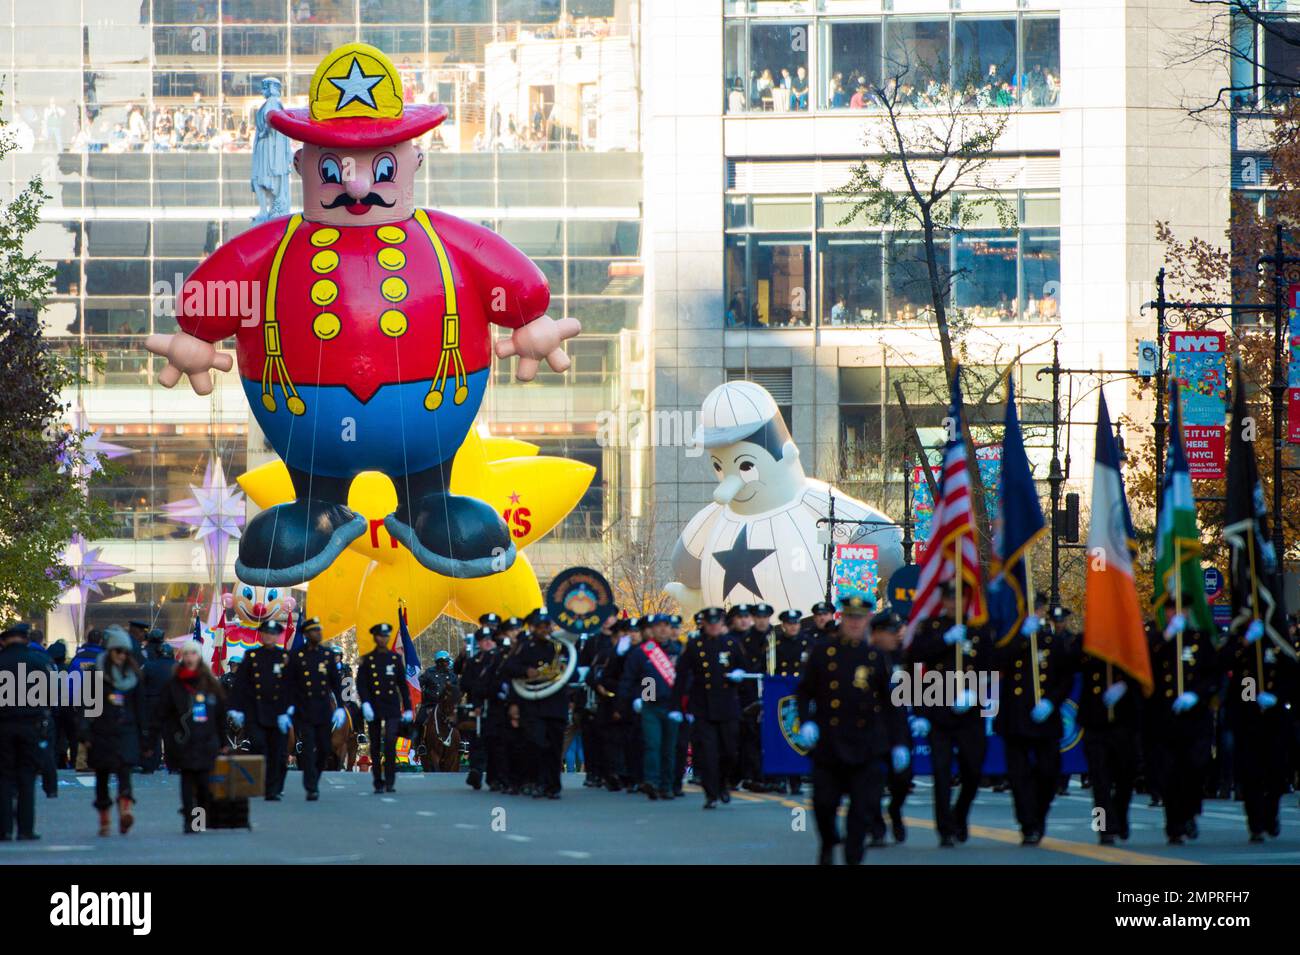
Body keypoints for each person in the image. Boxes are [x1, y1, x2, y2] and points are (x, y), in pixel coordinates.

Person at [797, 596, 909, 865]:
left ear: (867, 621)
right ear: (843, 619)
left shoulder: (875, 657)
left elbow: (889, 704)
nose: (855, 623)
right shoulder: (823, 652)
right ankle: (827, 842)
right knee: (824, 804)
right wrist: (807, 720)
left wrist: (899, 742)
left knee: (861, 810)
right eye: (851, 617)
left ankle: (853, 856)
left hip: (865, 744)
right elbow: (803, 691)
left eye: (861, 618)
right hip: (830, 743)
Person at [906, 581, 991, 847]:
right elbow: (914, 658)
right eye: (949, 598)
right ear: (942, 601)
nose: (954, 603)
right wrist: (944, 640)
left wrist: (974, 693)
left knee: (973, 771)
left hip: (969, 712)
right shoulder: (930, 628)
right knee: (941, 773)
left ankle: (960, 815)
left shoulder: (977, 628)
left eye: (959, 598)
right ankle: (945, 828)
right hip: (938, 709)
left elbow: (989, 663)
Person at [993, 605, 1078, 845]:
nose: (1035, 614)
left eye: (1038, 609)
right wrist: (1020, 636)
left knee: (1049, 773)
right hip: (1015, 719)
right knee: (1019, 777)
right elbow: (997, 660)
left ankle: (1038, 816)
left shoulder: (1052, 642)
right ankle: (1028, 824)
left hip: (1045, 719)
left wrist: (1051, 702)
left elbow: (1066, 676)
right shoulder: (1011, 640)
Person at [1220, 616, 1299, 842]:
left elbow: (1293, 675)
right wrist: (1245, 641)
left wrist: (1277, 697)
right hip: (1247, 719)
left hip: (1274, 719)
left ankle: (1271, 813)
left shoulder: (1278, 640)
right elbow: (1222, 662)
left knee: (1276, 772)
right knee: (1250, 774)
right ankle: (1255, 824)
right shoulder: (1241, 641)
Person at [1146, 614, 1218, 845]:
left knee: (1194, 770)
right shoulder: (1157, 640)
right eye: (1169, 608)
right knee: (1168, 775)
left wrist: (1196, 694)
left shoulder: (1200, 639)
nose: (1175, 613)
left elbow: (1214, 673)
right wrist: (1166, 637)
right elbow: (1145, 667)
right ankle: (1174, 826)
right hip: (1165, 719)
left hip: (1194, 719)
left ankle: (1189, 814)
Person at [153, 639, 229, 832]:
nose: (189, 657)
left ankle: (200, 818)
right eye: (186, 654)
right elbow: (163, 713)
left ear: (199, 656)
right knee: (187, 781)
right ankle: (189, 819)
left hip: (206, 741)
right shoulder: (174, 684)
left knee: (204, 784)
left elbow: (220, 714)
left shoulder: (210, 683)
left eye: (193, 653)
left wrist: (223, 741)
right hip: (184, 741)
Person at [1077, 628, 1143, 846]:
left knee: (1125, 777)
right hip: (1095, 720)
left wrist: (1125, 684)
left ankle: (1120, 815)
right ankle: (1103, 827)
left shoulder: (1129, 637)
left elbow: (1143, 669)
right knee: (1099, 781)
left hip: (1124, 722)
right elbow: (1069, 661)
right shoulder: (1087, 640)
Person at [678, 606, 749, 808]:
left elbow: (745, 668)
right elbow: (682, 676)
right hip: (703, 707)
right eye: (710, 624)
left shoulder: (731, 644)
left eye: (717, 623)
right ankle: (711, 794)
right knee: (707, 754)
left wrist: (739, 674)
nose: (713, 627)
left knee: (729, 752)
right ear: (705, 625)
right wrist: (677, 707)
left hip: (727, 706)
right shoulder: (694, 645)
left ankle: (723, 784)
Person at [85, 626, 146, 837]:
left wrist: (145, 737)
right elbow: (87, 706)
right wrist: (84, 733)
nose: (122, 656)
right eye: (118, 651)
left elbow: (141, 708)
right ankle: (104, 818)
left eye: (125, 652)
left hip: (126, 731)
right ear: (110, 651)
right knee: (102, 776)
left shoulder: (134, 676)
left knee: (125, 772)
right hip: (102, 731)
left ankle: (125, 809)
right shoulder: (95, 673)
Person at [618, 613, 685, 800]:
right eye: (659, 626)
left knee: (669, 748)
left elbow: (687, 679)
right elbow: (629, 678)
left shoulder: (678, 651)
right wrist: (630, 700)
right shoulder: (642, 651)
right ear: (652, 629)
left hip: (673, 706)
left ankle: (667, 785)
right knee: (652, 745)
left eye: (666, 626)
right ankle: (652, 782)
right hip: (651, 704)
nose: (663, 629)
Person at [503, 608, 568, 799]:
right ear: (533, 627)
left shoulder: (561, 644)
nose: (543, 629)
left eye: (546, 625)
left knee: (555, 747)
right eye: (539, 626)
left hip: (556, 703)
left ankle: (553, 786)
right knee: (536, 744)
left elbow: (571, 668)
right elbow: (509, 667)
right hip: (533, 704)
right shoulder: (525, 645)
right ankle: (539, 782)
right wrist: (526, 671)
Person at [0, 623, 55, 840]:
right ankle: (25, 828)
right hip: (31, 725)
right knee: (26, 776)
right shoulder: (38, 662)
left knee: (3, 777)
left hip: (3, 725)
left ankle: (4, 828)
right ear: (26, 639)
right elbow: (52, 695)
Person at [285, 617, 347, 801]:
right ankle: (311, 785)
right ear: (306, 634)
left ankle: (315, 776)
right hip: (303, 711)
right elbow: (289, 683)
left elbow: (336, 684)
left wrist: (341, 708)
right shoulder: (296, 656)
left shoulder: (327, 655)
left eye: (319, 630)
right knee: (307, 747)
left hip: (323, 710)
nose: (318, 634)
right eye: (314, 631)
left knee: (324, 748)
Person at [229, 619, 292, 801]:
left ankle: (274, 788)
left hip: (279, 713)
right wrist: (235, 709)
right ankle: (263, 785)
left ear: (277, 636)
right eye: (266, 633)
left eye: (273, 633)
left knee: (278, 753)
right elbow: (240, 684)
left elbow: (292, 686)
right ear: (262, 635)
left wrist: (290, 710)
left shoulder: (285, 658)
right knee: (259, 746)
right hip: (255, 711)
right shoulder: (252, 656)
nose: (269, 636)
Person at [866, 610, 913, 844]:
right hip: (871, 729)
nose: (897, 636)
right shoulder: (864, 658)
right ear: (876, 634)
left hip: (897, 727)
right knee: (870, 783)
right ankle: (876, 828)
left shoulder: (903, 657)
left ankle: (895, 810)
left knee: (903, 781)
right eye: (891, 632)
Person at [357, 621, 412, 793]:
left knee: (390, 741)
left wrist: (409, 708)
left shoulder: (395, 659)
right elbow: (362, 684)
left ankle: (390, 780)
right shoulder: (367, 660)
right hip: (373, 706)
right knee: (374, 744)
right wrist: (365, 702)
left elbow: (403, 685)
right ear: (375, 637)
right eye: (381, 636)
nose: (384, 639)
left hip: (391, 707)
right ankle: (377, 781)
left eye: (386, 636)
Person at [773, 608, 811, 794]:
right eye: (789, 623)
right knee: (781, 737)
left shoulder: (807, 643)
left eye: (795, 623)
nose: (793, 626)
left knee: (796, 737)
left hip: (801, 693)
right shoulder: (775, 644)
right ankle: (780, 779)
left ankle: (795, 780)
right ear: (783, 625)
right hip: (780, 694)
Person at [461, 626, 498, 790]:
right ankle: (475, 772)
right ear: (479, 643)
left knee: (495, 742)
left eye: (490, 639)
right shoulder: (473, 662)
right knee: (477, 741)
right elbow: (464, 684)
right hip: (478, 707)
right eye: (484, 640)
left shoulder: (500, 660)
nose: (488, 643)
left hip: (497, 706)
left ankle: (493, 777)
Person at [140, 630, 174, 773]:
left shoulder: (149, 665)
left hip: (152, 704)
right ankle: (173, 765)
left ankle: (151, 764)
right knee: (171, 735)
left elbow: (141, 684)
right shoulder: (177, 667)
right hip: (172, 705)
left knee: (154, 735)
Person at [414, 649, 457, 746]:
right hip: (430, 704)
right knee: (419, 721)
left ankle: (463, 742)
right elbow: (418, 684)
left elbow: (456, 689)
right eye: (443, 661)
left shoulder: (452, 675)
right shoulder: (429, 672)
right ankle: (418, 745)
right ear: (438, 662)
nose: (445, 664)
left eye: (447, 661)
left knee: (461, 719)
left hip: (447, 705)